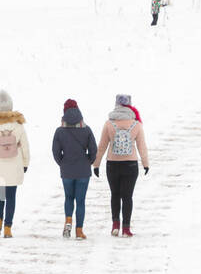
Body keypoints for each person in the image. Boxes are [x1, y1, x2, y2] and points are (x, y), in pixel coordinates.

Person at [92, 93, 149, 238]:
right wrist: (145, 163)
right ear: (129, 105)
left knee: (115, 195)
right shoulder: (136, 124)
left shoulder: (109, 123)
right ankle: (126, 228)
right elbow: (142, 146)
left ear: (116, 104)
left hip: (112, 164)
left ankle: (115, 224)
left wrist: (96, 164)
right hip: (130, 165)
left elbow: (102, 146)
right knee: (127, 197)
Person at [0, 90, 29, 238]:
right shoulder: (19, 125)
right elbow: (26, 147)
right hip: (14, 167)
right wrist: (26, 163)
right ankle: (8, 227)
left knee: (0, 195)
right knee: (11, 197)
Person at [52, 99, 96, 239]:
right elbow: (94, 150)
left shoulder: (60, 131)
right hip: (83, 171)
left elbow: (55, 151)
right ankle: (79, 231)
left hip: (67, 171)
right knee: (81, 200)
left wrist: (62, 163)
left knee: (69, 198)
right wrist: (88, 161)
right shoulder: (86, 129)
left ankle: (68, 221)